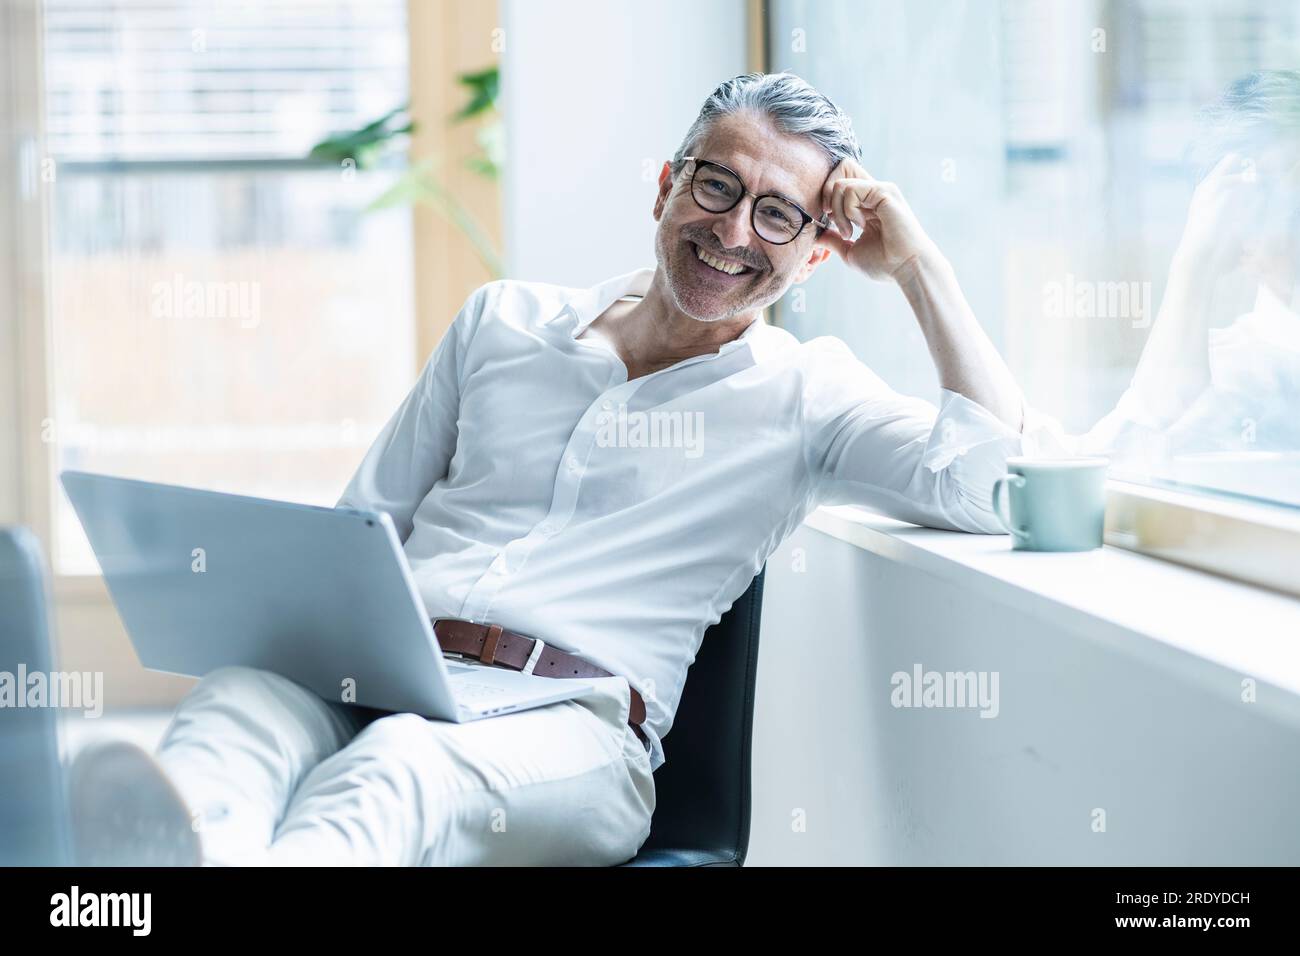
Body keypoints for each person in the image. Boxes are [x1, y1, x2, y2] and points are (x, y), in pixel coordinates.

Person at [70, 71, 1033, 867]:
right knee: (240, 703)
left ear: (818, 257)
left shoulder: (805, 396)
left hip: (573, 732)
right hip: (382, 672)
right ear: (664, 185)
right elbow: (361, 527)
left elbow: (987, 485)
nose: (734, 234)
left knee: (397, 770)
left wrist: (915, 266)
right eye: (717, 188)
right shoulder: (503, 322)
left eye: (779, 216)